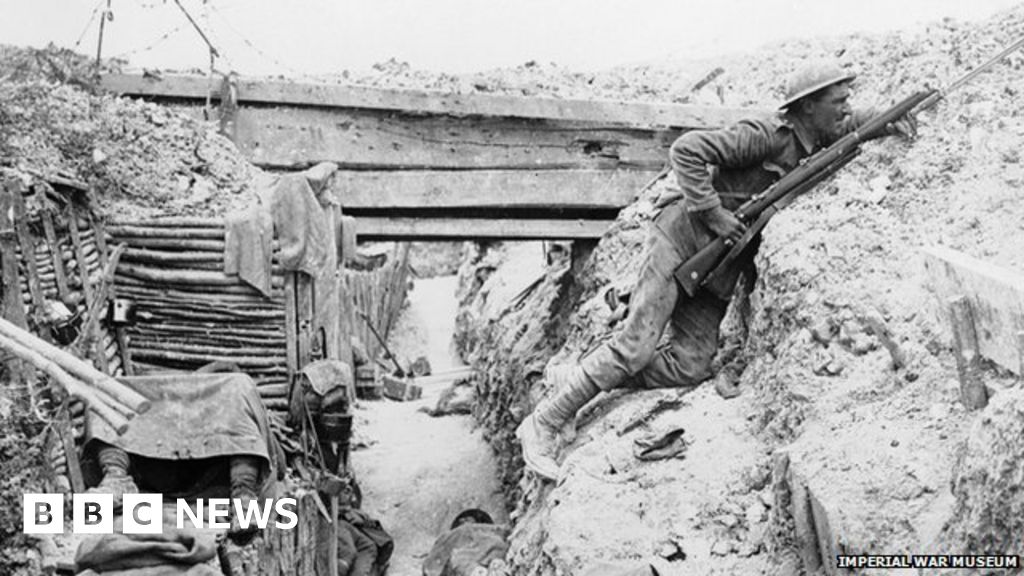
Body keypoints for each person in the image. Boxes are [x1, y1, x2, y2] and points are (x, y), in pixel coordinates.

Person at [516, 61, 916, 480]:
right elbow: (686, 151)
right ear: (809, 107)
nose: (845, 108)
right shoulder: (764, 136)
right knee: (635, 348)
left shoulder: (816, 138)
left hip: (715, 269)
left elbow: (854, 125)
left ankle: (583, 376)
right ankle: (544, 423)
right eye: (838, 101)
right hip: (680, 241)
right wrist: (714, 213)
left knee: (690, 366)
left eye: (846, 100)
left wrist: (891, 117)